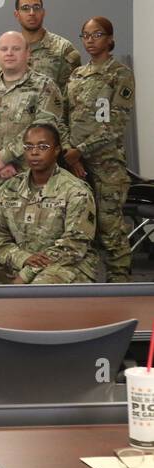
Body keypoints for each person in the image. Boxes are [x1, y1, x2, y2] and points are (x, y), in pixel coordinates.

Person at [64, 16, 135, 282]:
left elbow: (115, 124)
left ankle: (121, 285)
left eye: (97, 35)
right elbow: (66, 117)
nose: (91, 41)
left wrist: (79, 150)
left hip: (107, 165)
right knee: (80, 227)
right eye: (86, 35)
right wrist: (71, 154)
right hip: (75, 165)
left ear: (110, 38)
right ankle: (85, 283)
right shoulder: (77, 75)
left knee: (110, 228)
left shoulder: (120, 74)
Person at [0, 123, 97, 285]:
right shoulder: (10, 188)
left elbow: (74, 245)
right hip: (21, 261)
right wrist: (23, 259)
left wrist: (27, 274)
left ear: (57, 150)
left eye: (43, 146)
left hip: (67, 264)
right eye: (29, 147)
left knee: (38, 288)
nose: (35, 152)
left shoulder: (75, 191)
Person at [0, 30, 66, 204]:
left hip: (35, 177)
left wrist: (5, 156)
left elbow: (45, 128)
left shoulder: (45, 87)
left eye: (16, 48)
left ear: (27, 53)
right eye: (4, 49)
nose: (9, 53)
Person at [15, 0, 81, 91]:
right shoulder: (8, 49)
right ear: (17, 15)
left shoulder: (63, 49)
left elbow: (74, 95)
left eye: (36, 8)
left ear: (43, 13)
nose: (32, 13)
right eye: (25, 8)